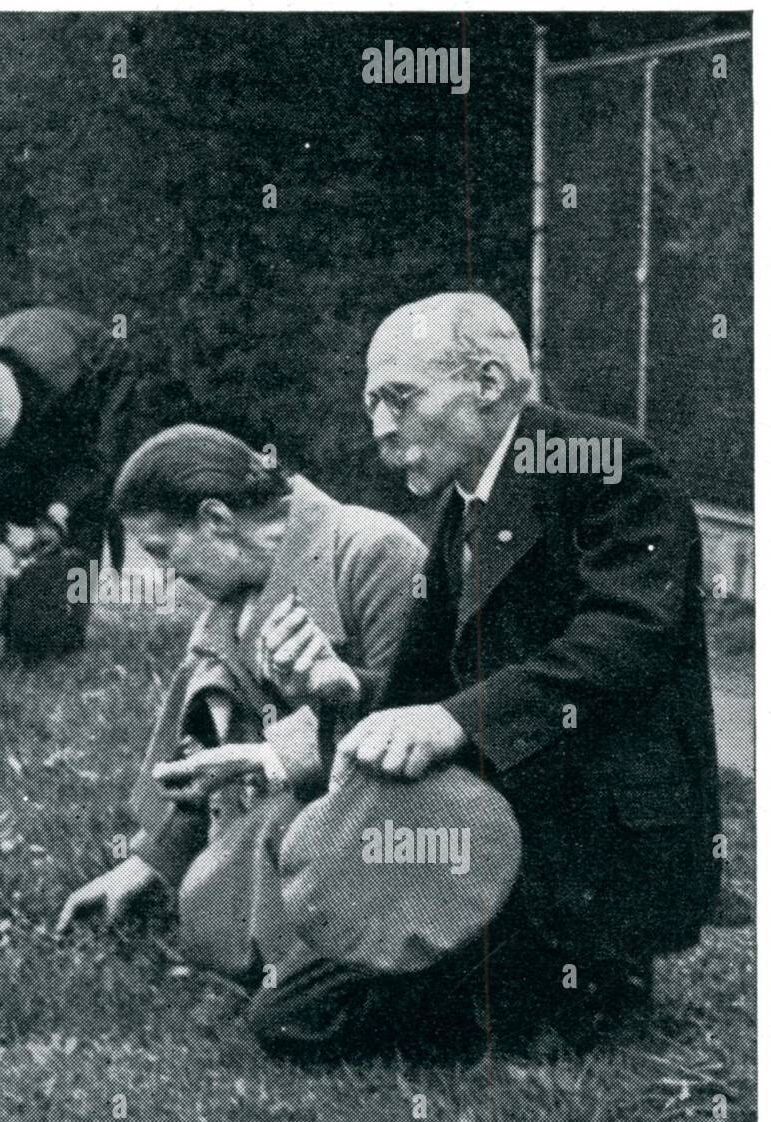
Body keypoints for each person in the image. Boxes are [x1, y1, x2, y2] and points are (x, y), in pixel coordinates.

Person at [288, 291, 722, 1057]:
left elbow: (627, 636)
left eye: (399, 397)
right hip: (497, 829)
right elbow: (421, 683)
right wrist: (344, 700)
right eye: (370, 405)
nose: (381, 428)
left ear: (487, 383)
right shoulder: (464, 503)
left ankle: (586, 981)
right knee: (297, 1007)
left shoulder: (601, 462)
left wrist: (456, 720)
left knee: (315, 1017)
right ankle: (512, 986)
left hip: (594, 842)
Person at [56, 425, 427, 997]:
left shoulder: (374, 555)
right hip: (288, 825)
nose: (166, 576)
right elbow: (204, 757)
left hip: (387, 823)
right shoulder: (226, 610)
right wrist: (150, 862)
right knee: (206, 904)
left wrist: (292, 741)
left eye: (162, 551)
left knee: (240, 910)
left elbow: (418, 721)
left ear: (217, 520)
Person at [0, 306, 148, 657]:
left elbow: (91, 460)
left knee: (86, 505)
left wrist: (56, 513)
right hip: (25, 363)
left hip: (95, 369)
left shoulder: (70, 389)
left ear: (16, 420)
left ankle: (66, 618)